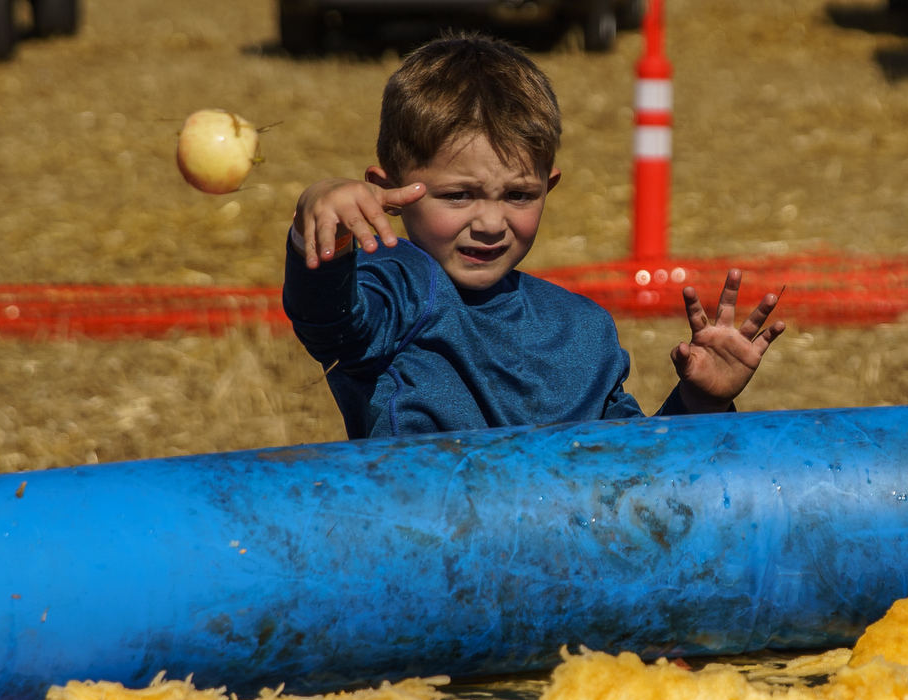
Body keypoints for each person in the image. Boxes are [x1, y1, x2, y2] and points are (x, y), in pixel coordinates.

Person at [282, 32, 783, 440]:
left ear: (548, 186)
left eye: (518, 195)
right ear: (388, 191)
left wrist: (700, 401)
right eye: (458, 196)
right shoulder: (397, 287)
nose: (491, 223)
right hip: (429, 534)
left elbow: (629, 474)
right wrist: (321, 225)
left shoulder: (583, 330)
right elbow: (330, 323)